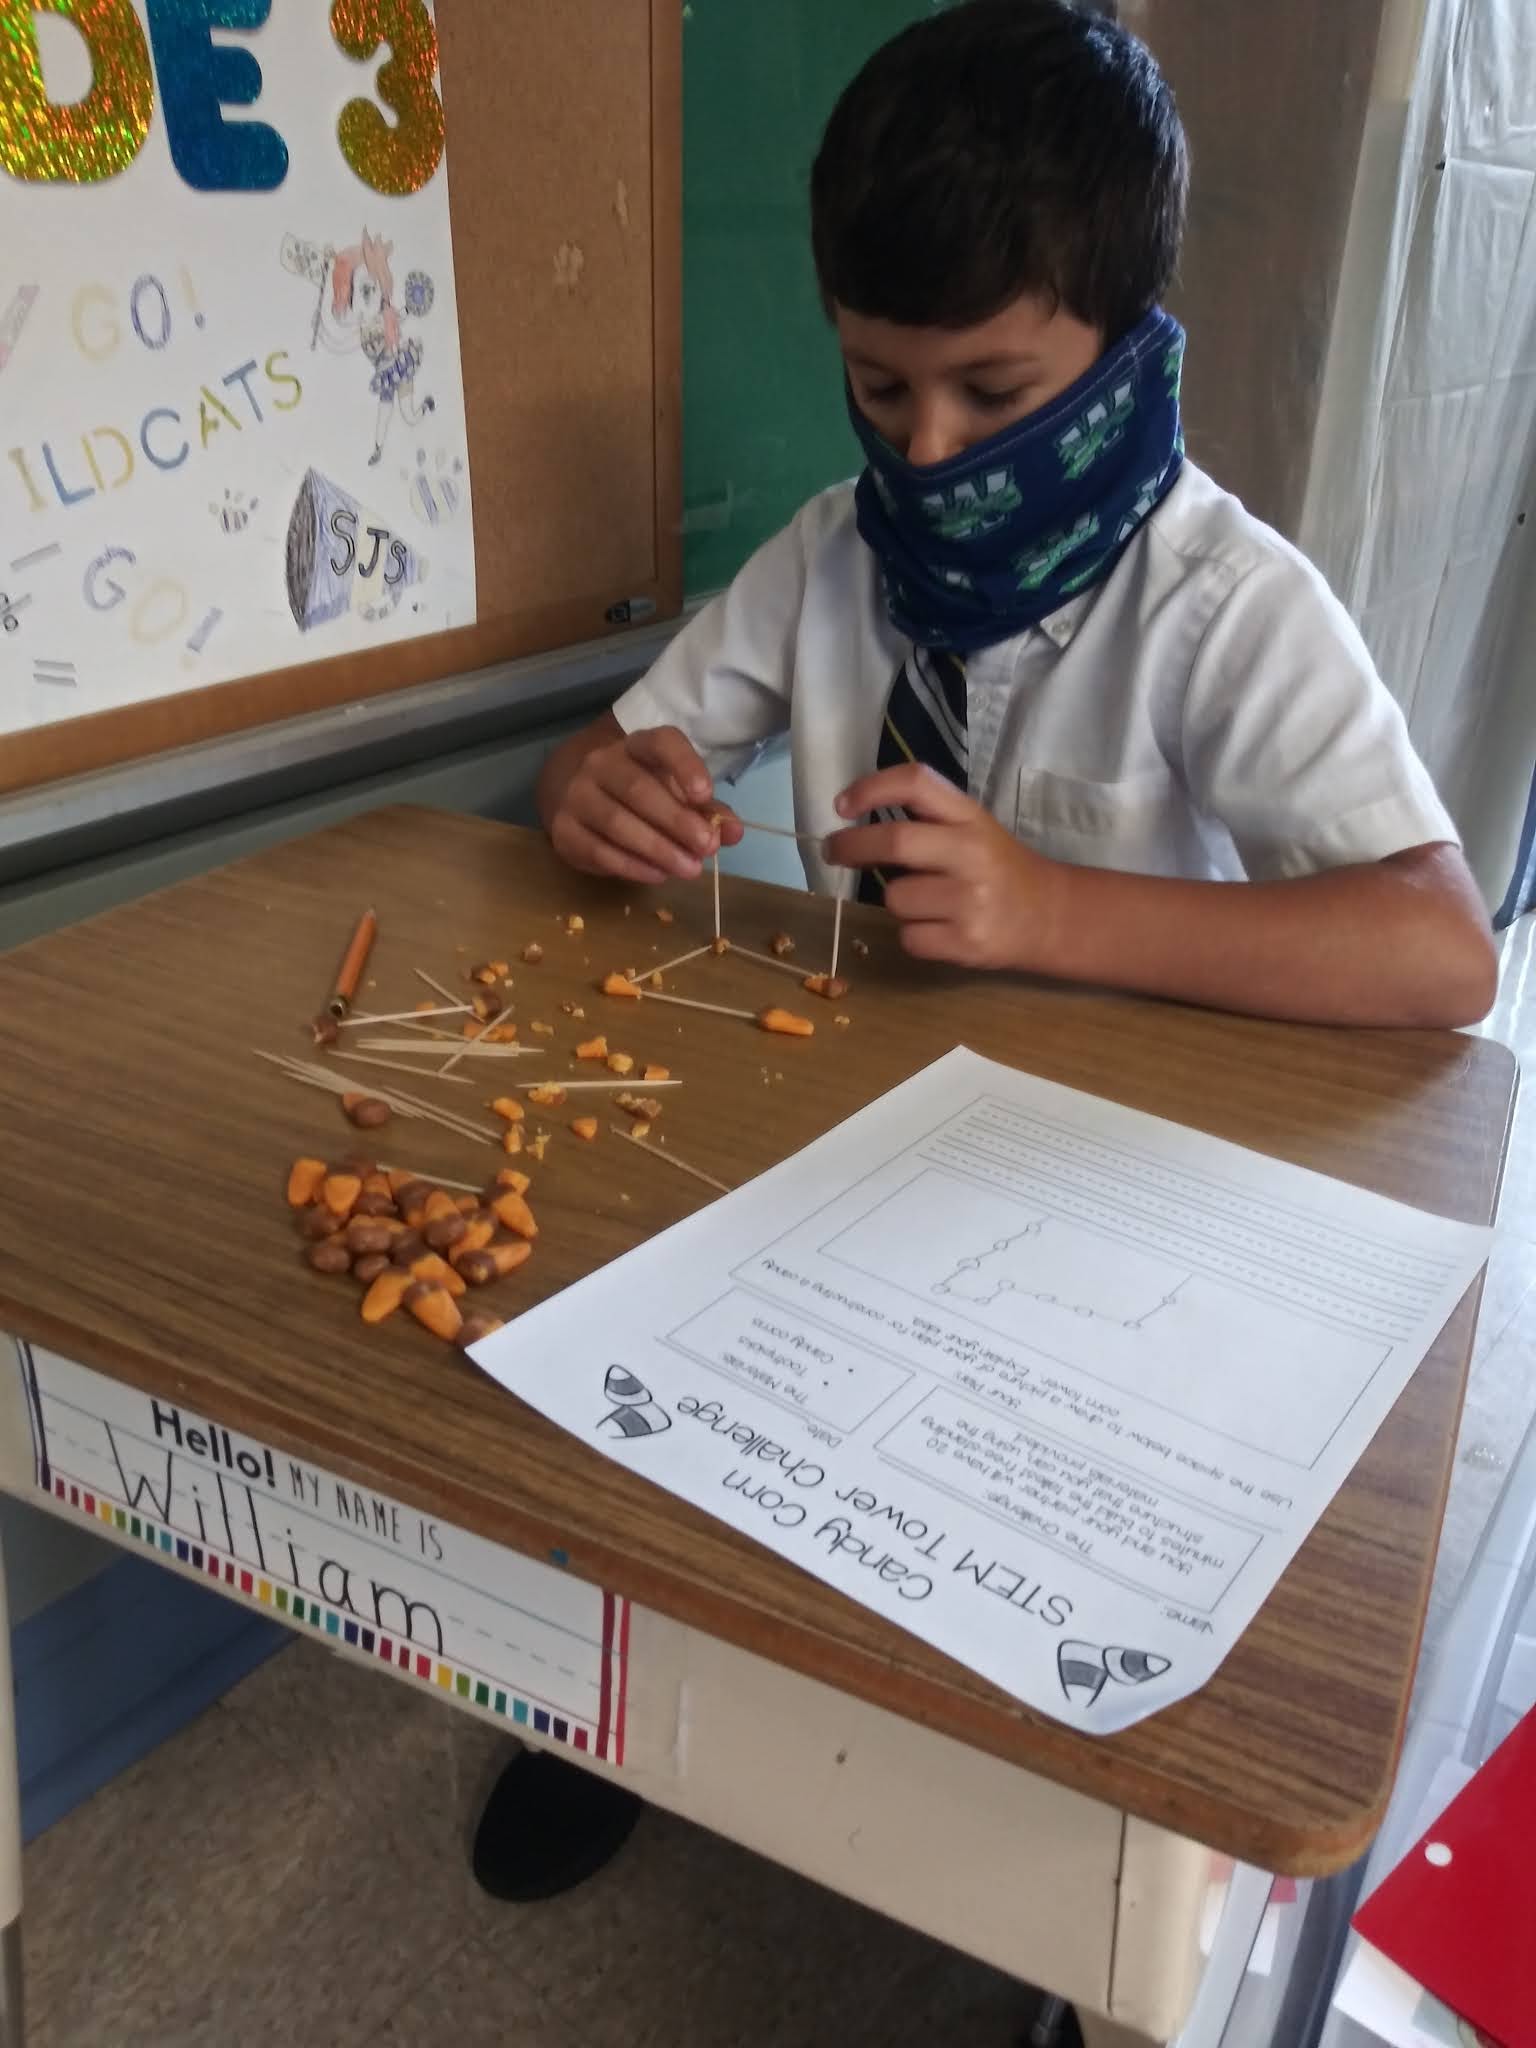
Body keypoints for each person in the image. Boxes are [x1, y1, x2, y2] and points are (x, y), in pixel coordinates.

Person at [479, 0, 1496, 1940]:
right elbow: (616, 748)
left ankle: (1052, 1871)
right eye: (879, 388)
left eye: (993, 390)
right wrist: (603, 787)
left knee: (1015, 1560)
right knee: (678, 1409)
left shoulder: (1225, 603)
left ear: (1121, 348)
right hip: (837, 1117)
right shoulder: (826, 555)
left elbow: (1436, 947)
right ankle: (614, 1710)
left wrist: (1054, 912)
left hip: (1111, 1186)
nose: (925, 451)